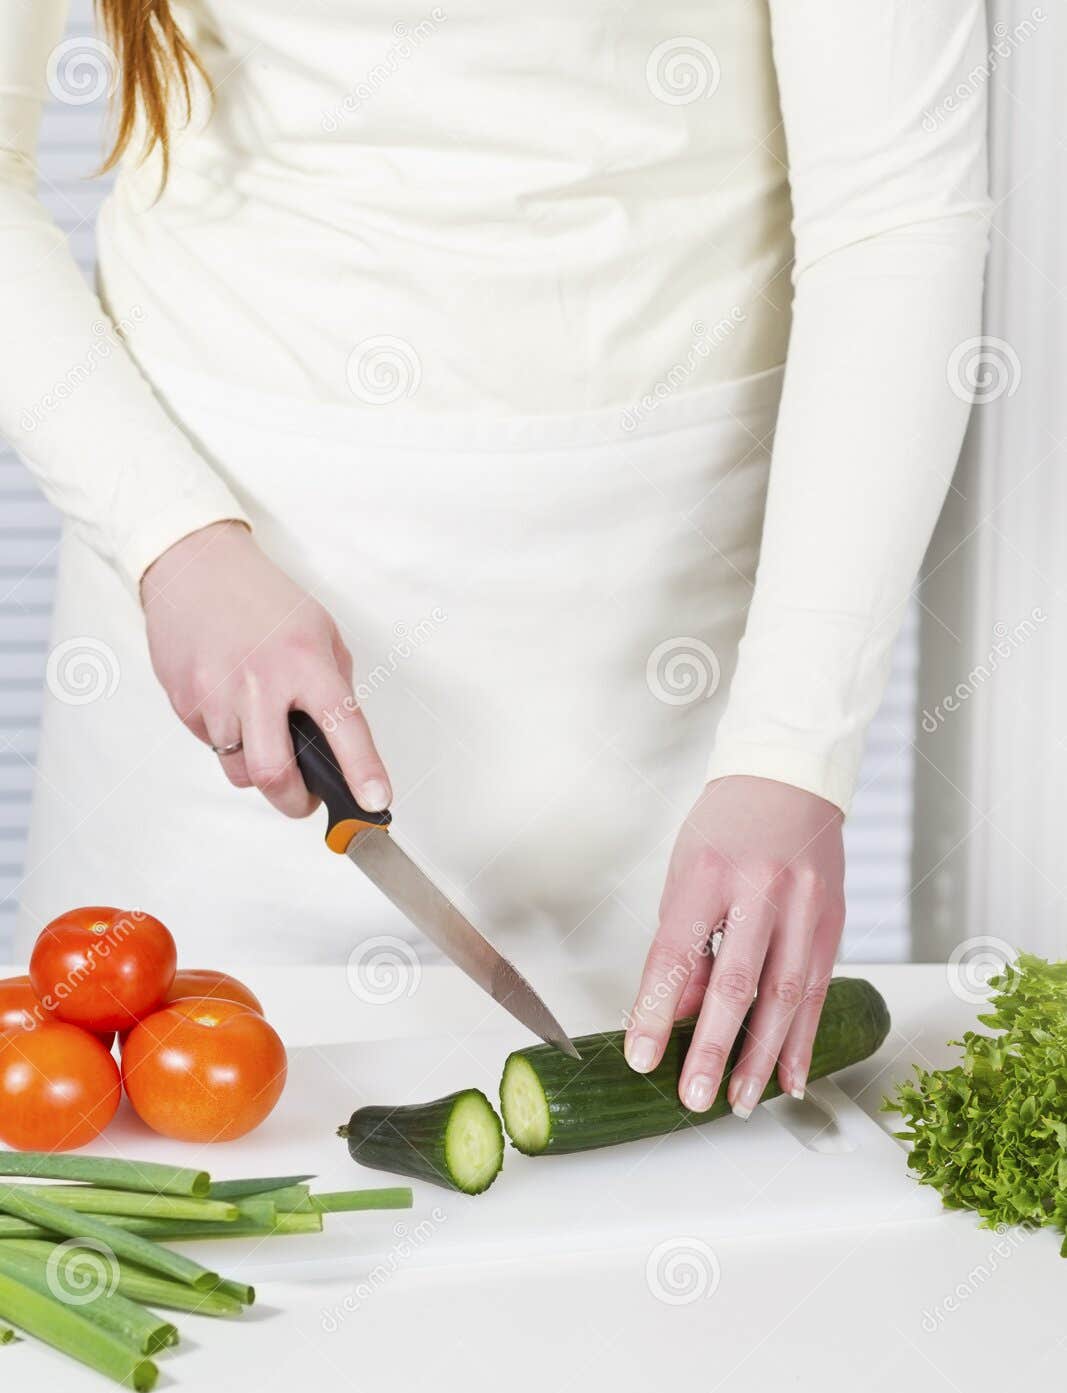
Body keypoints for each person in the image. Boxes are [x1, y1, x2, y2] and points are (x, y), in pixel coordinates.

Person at [2, 1, 990, 1113]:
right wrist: (169, 539)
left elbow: (896, 214)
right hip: (207, 672)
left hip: (669, 702)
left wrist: (790, 748)